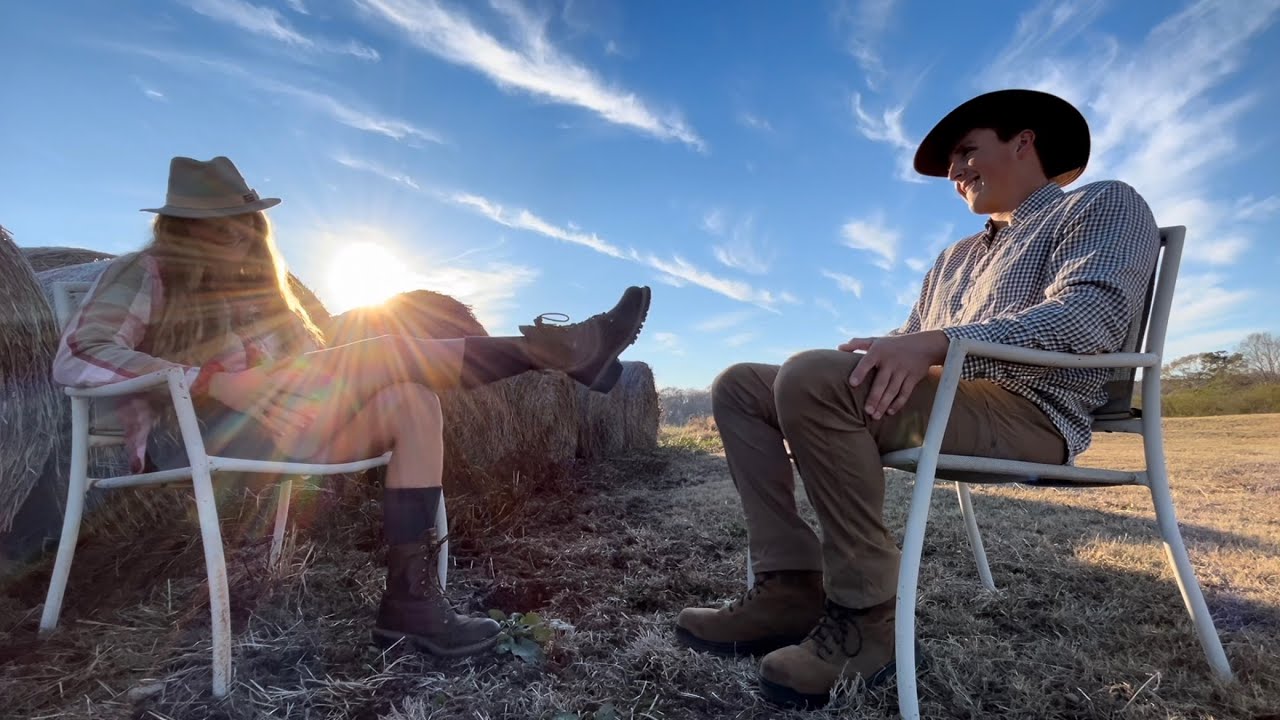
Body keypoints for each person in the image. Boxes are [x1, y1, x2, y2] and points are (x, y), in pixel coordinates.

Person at [52, 155, 651, 658]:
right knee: (386, 350)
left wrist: (325, 381)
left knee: (412, 398)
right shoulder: (145, 273)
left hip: (293, 427)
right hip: (205, 428)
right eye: (217, 224)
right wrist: (211, 381)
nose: (236, 234)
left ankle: (411, 606)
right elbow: (80, 354)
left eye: (243, 220)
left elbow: (316, 361)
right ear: (178, 229)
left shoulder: (265, 290)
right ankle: (563, 351)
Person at [675, 89, 1160, 708]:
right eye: (953, 164)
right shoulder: (955, 257)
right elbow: (913, 339)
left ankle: (865, 621)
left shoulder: (1102, 203)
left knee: (810, 377)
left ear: (1024, 142)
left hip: (1034, 408)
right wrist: (880, 352)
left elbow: (1090, 318)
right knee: (743, 383)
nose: (956, 173)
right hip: (948, 402)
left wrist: (936, 344)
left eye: (966, 151)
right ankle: (788, 586)